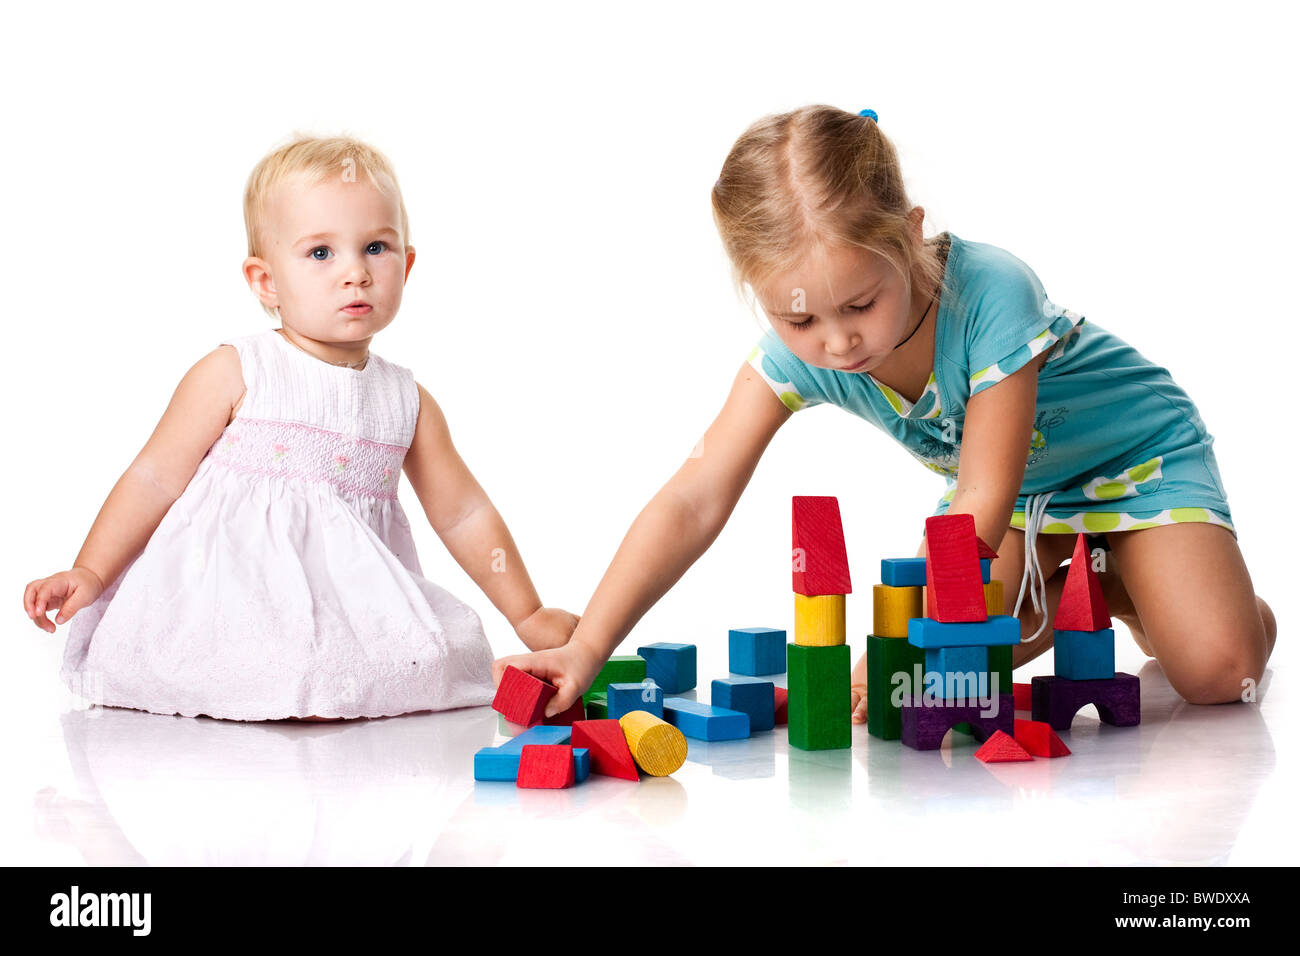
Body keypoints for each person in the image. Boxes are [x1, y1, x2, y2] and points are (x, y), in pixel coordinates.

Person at [494, 104, 1276, 721]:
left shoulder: (991, 293)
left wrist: (885, 648)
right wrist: (589, 644)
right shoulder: (798, 354)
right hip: (1017, 506)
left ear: (910, 235)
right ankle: (1102, 579)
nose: (836, 343)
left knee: (1215, 671)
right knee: (956, 677)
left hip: (1131, 465)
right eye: (799, 319)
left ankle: (1157, 577)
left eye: (861, 304)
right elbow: (693, 498)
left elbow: (980, 498)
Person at [24, 135, 578, 721]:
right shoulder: (237, 371)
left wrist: (527, 613)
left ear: (407, 265)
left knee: (433, 657)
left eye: (375, 248)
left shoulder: (406, 401)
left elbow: (464, 514)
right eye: (321, 253)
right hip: (232, 596)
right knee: (256, 657)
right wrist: (91, 567)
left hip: (349, 607)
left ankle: (337, 683)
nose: (355, 274)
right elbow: (154, 478)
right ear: (265, 281)